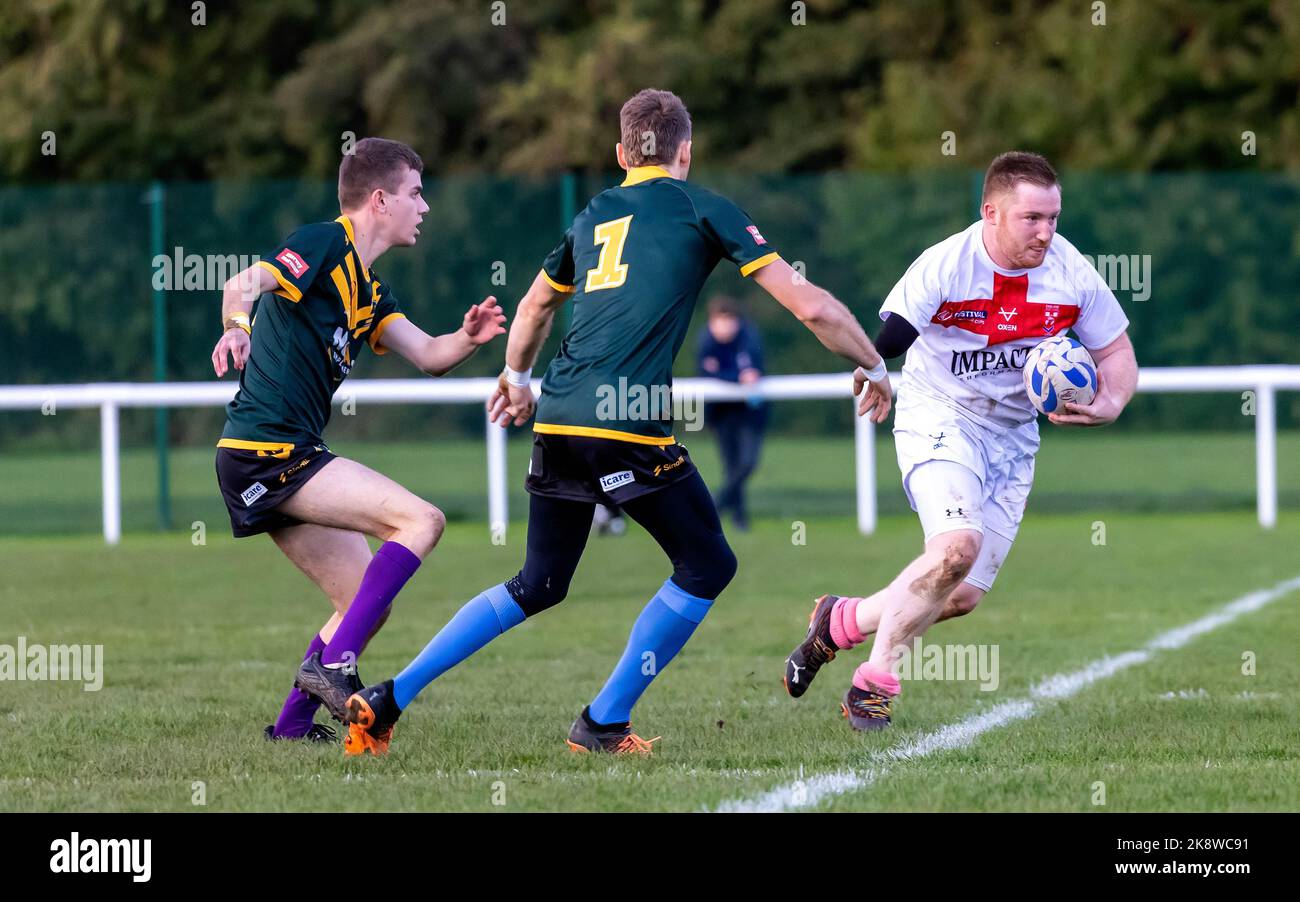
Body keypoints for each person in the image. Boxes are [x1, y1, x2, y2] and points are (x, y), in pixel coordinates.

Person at [341, 88, 891, 756]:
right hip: (623, 421)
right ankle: (602, 722)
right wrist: (874, 362)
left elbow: (537, 305)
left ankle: (388, 697)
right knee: (707, 562)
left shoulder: (593, 213)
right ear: (685, 151)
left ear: (621, 153)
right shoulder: (701, 207)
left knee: (537, 583)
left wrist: (516, 380)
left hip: (560, 416)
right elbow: (810, 307)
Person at [783, 151, 1138, 730]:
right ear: (990, 212)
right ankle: (874, 684)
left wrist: (1112, 400)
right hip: (939, 415)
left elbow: (1116, 352)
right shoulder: (947, 264)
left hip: (1013, 438)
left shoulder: (1071, 272)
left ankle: (839, 622)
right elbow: (889, 337)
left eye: (1053, 218)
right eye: (1032, 219)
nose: (1046, 232)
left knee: (961, 594)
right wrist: (872, 366)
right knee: (955, 549)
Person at [209, 137, 505, 740]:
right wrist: (238, 328)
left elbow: (428, 354)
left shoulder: (370, 290)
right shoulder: (322, 244)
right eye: (415, 194)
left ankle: (290, 728)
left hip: (281, 457)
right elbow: (240, 285)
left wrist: (468, 338)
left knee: (365, 602)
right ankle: (331, 666)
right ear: (379, 200)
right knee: (422, 521)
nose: (424, 207)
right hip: (268, 452)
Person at [697, 294, 768, 530]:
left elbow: (753, 372)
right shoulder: (705, 340)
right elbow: (707, 373)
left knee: (747, 463)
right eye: (719, 321)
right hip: (722, 412)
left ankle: (717, 505)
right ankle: (739, 518)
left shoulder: (748, 336)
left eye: (729, 321)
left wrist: (730, 375)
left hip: (750, 411)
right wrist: (737, 376)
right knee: (730, 464)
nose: (725, 327)